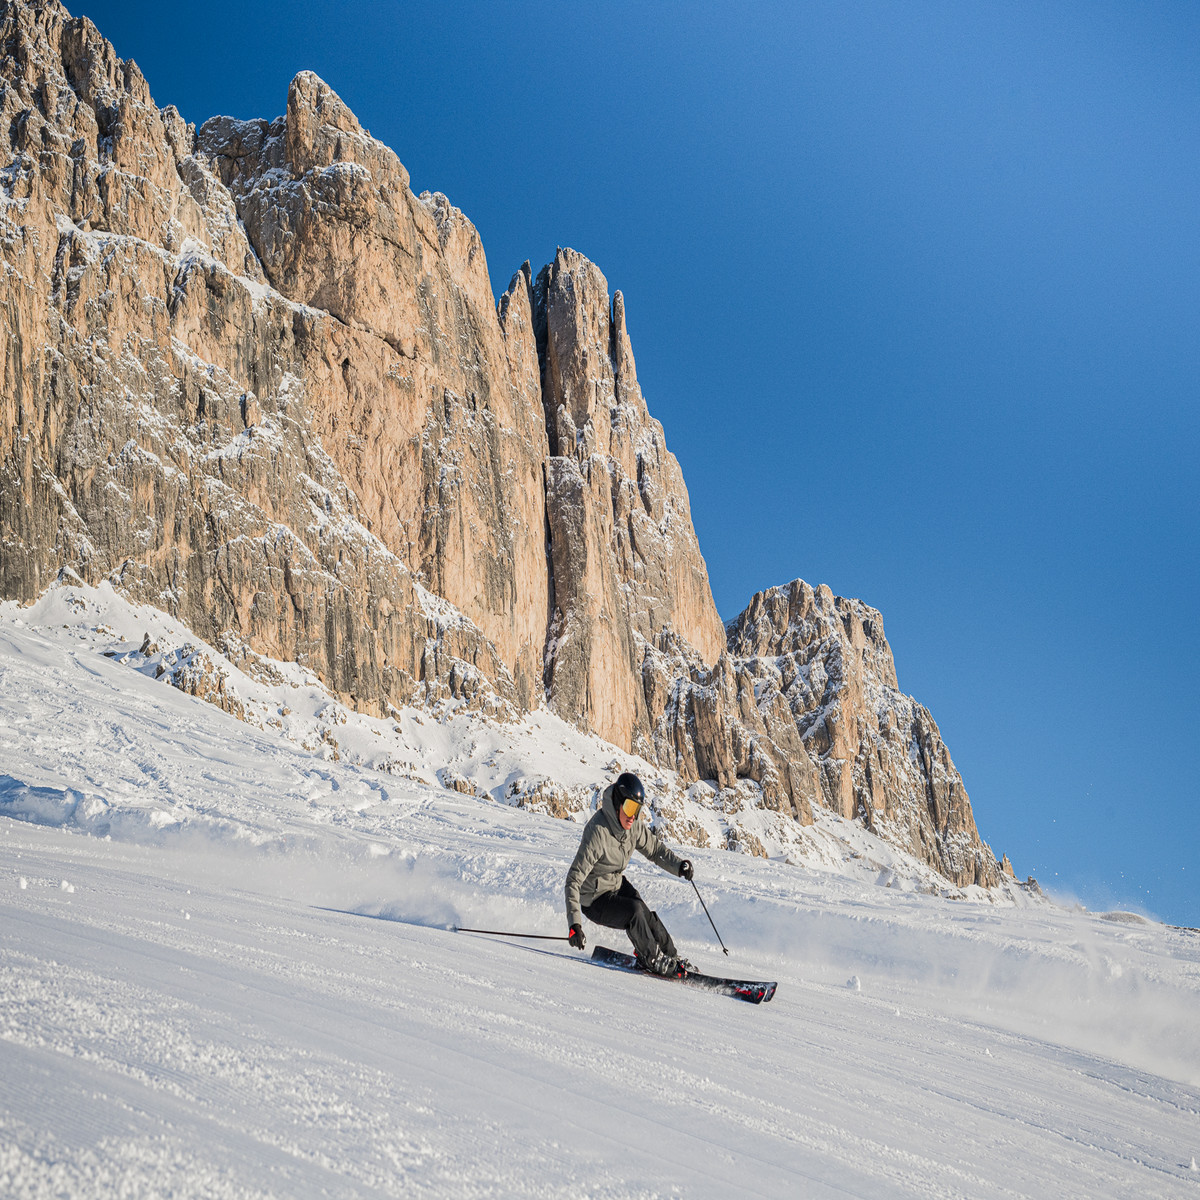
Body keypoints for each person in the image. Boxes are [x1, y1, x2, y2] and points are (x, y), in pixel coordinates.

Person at [564, 772, 696, 976]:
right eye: (629, 807)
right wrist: (575, 924)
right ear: (618, 804)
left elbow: (655, 850)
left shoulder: (633, 827)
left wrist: (679, 866)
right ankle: (652, 958)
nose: (633, 815)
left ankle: (671, 956)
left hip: (615, 885)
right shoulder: (598, 831)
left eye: (637, 809)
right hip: (594, 899)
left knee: (644, 913)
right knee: (634, 912)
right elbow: (574, 880)